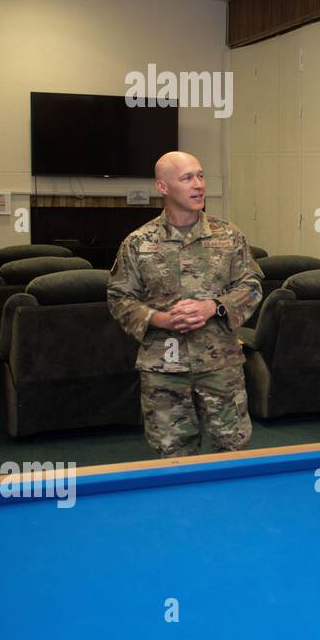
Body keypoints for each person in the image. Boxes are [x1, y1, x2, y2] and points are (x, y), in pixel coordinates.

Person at [108, 151, 262, 458]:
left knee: (232, 450)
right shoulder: (138, 242)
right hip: (164, 368)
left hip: (220, 364)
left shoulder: (229, 236)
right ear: (163, 187)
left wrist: (214, 306)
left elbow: (252, 285)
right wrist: (160, 319)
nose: (199, 185)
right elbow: (119, 297)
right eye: (187, 178)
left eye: (201, 175)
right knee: (173, 455)